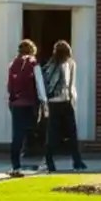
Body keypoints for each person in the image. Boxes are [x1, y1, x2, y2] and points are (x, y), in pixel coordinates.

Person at [41, 41, 87, 173]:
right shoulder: (52, 66)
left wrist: (72, 99)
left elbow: (71, 84)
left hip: (64, 101)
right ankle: (50, 161)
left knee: (71, 133)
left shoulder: (70, 64)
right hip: (56, 102)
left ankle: (76, 161)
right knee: (53, 134)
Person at [5, 39, 46, 178]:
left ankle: (15, 166)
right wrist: (44, 102)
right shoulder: (34, 64)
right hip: (30, 103)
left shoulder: (12, 65)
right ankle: (43, 160)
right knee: (36, 131)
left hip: (16, 103)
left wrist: (12, 99)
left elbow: (9, 86)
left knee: (17, 135)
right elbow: (39, 85)